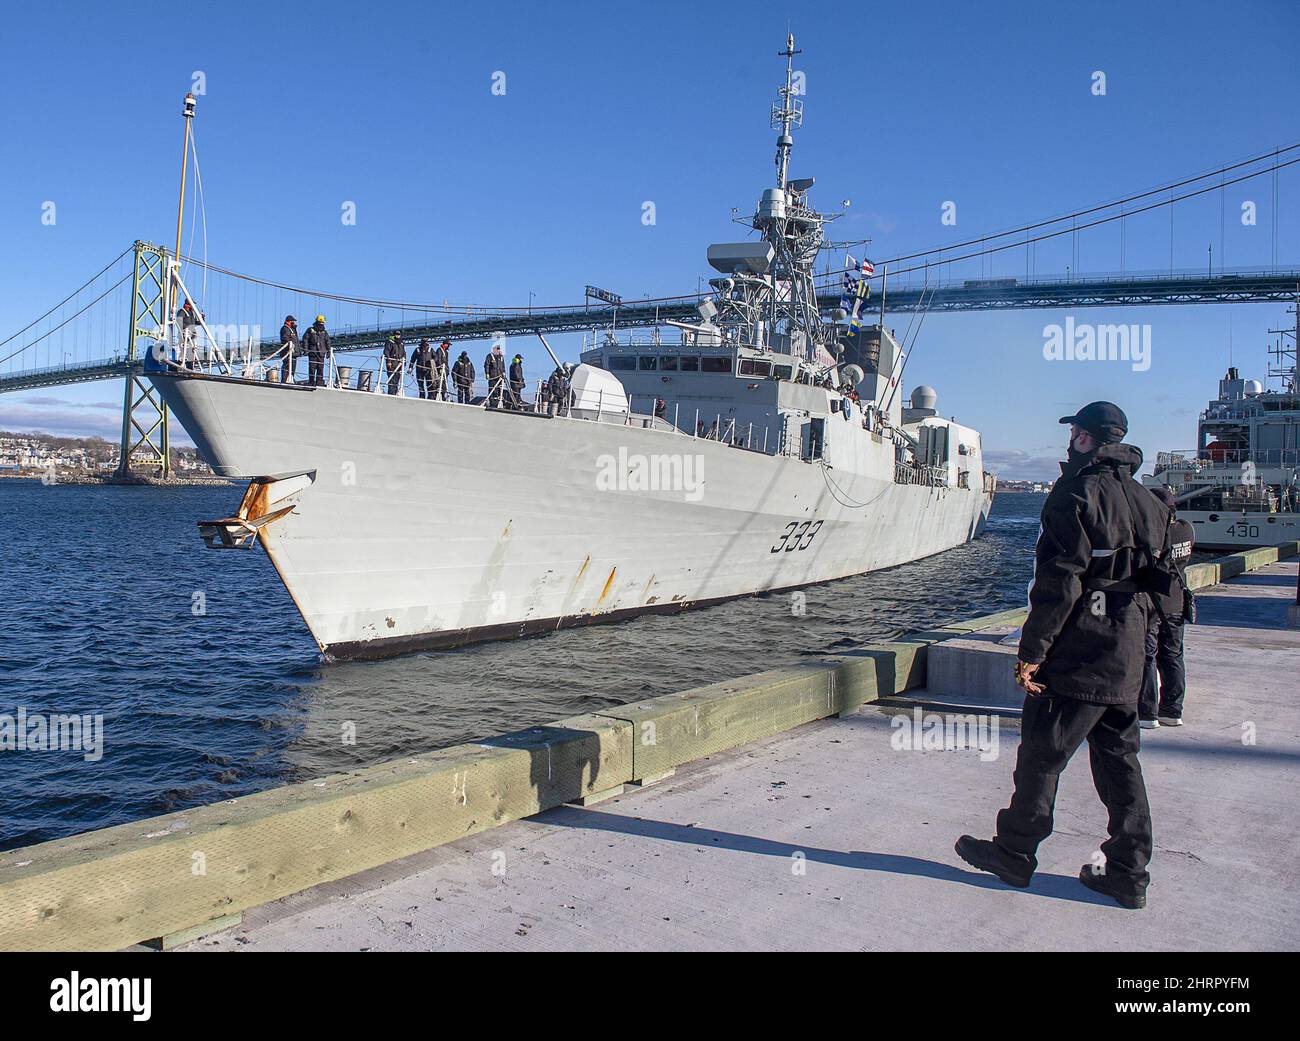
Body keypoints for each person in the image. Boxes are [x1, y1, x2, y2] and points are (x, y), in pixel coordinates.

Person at [955, 401, 1170, 910]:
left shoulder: (1074, 493)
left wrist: (1033, 651)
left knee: (1042, 756)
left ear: (1084, 439)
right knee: (1121, 763)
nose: (1068, 439)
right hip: (1130, 648)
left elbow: (1060, 582)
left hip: (1079, 650)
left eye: (1073, 431)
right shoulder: (1150, 501)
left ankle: (1014, 852)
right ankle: (1128, 872)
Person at [1140, 486, 1195, 729]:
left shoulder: (1153, 534)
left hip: (1152, 602)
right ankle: (1173, 709)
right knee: (1173, 656)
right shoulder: (1186, 529)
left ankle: (1147, 712)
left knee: (1147, 657)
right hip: (1176, 600)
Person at [302, 315, 331, 387]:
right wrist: (306, 350)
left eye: (322, 323)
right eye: (320, 323)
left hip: (321, 353)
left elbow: (328, 341)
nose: (321, 324)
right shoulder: (310, 330)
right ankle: (311, 381)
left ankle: (319, 382)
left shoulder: (324, 332)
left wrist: (329, 351)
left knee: (320, 368)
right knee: (312, 368)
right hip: (313, 352)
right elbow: (305, 340)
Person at [278, 315, 299, 384]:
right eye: (292, 321)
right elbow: (285, 338)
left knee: (293, 367)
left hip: (294, 353)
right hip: (287, 352)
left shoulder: (293, 329)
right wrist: (290, 344)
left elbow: (296, 341)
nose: (293, 322)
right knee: (286, 366)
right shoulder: (285, 329)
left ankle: (291, 378)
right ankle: (284, 381)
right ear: (288, 321)